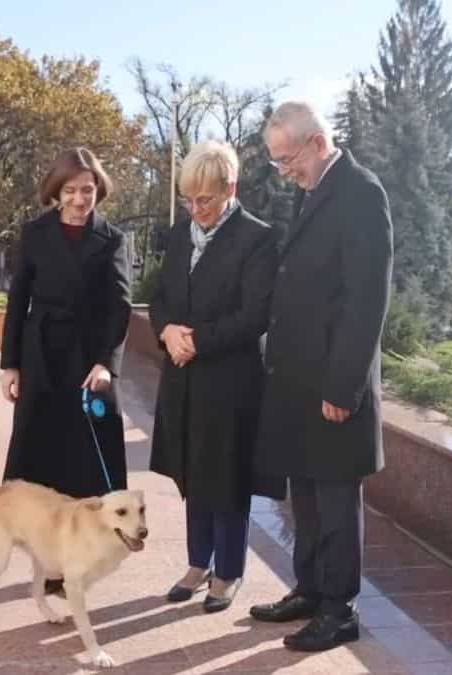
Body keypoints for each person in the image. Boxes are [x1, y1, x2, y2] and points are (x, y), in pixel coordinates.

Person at [247, 101, 393, 652]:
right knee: (303, 499)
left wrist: (342, 387)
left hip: (334, 387)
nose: (284, 171)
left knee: (335, 503)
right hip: (298, 382)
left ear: (316, 143)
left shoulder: (360, 193)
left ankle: (340, 609)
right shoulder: (310, 191)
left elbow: (366, 300)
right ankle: (308, 590)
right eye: (277, 163)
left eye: (287, 160)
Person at [148, 140, 283, 613]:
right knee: (192, 469)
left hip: (229, 380)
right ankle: (197, 562)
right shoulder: (182, 233)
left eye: (204, 200)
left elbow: (256, 314)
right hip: (184, 377)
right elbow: (160, 294)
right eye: (189, 200)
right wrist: (166, 330)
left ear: (230, 188)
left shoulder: (258, 238)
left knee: (226, 477)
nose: (195, 209)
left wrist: (195, 341)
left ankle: (228, 571)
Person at [0, 147, 133, 594]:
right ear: (56, 193)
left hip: (88, 363)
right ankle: (47, 558)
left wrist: (106, 366)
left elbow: (120, 308)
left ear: (99, 190)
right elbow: (18, 303)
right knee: (40, 460)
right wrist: (10, 365)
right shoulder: (34, 234)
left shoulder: (113, 239)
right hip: (41, 360)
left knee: (86, 464)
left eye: (88, 190)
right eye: (70, 191)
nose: (79, 200)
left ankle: (81, 556)